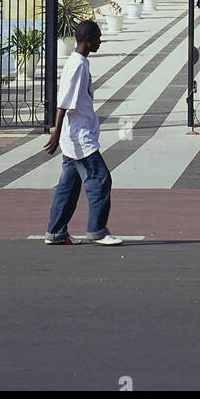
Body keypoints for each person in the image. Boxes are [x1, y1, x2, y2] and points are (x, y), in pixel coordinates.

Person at [43, 19, 123, 246]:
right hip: (79, 138)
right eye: (97, 38)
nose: (100, 41)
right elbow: (64, 102)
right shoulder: (77, 65)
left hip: (75, 136)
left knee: (68, 186)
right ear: (88, 40)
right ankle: (97, 230)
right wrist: (55, 134)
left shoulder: (78, 62)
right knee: (100, 179)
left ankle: (56, 231)